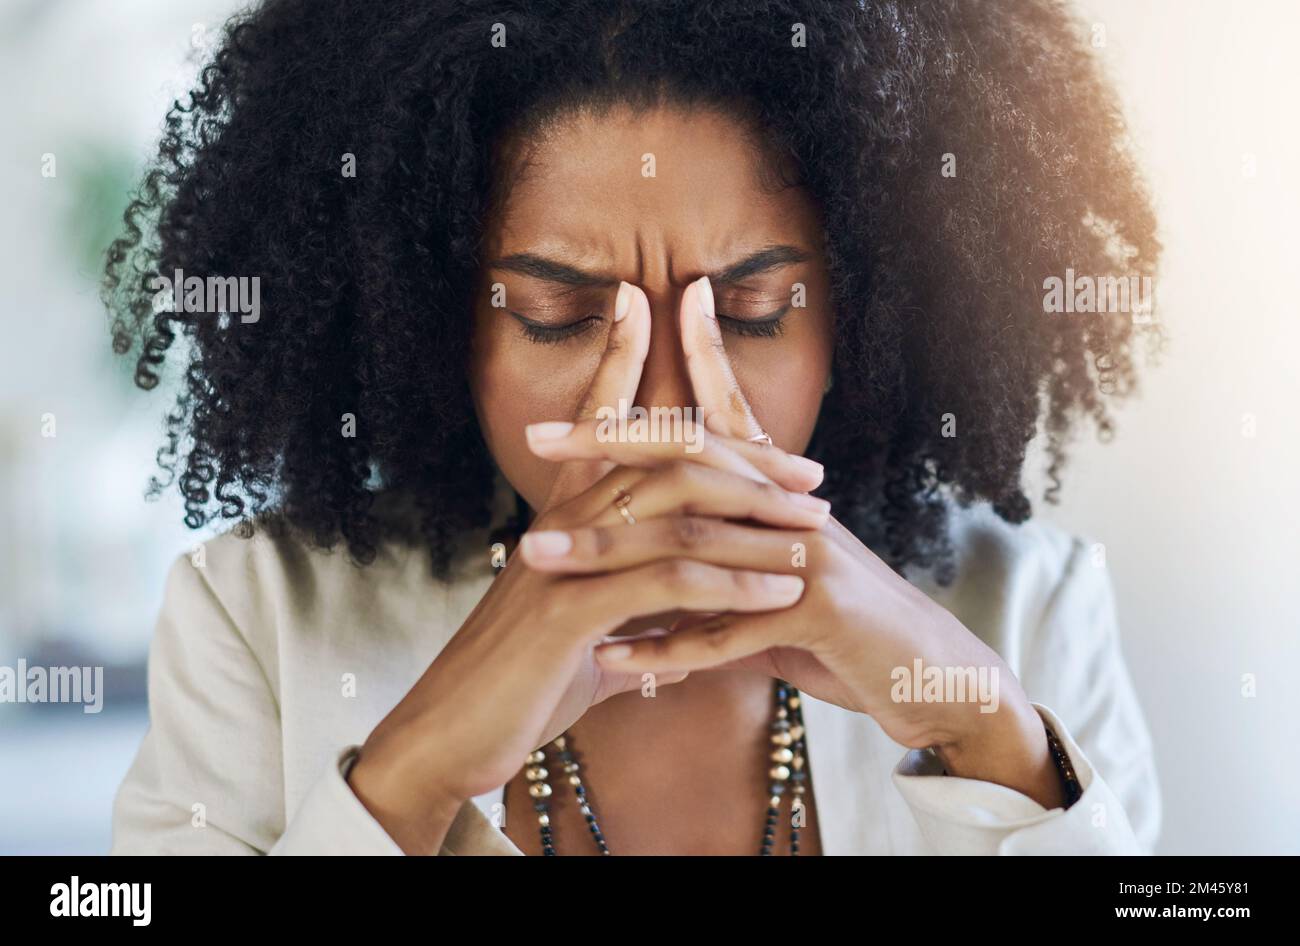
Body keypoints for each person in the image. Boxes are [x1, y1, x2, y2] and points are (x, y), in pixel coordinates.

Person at [103, 0, 1161, 855]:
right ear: (423, 321)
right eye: (561, 319)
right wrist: (408, 782)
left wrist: (992, 742)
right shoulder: (253, 621)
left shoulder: (1026, 611)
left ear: (870, 313)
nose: (664, 410)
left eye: (750, 313)